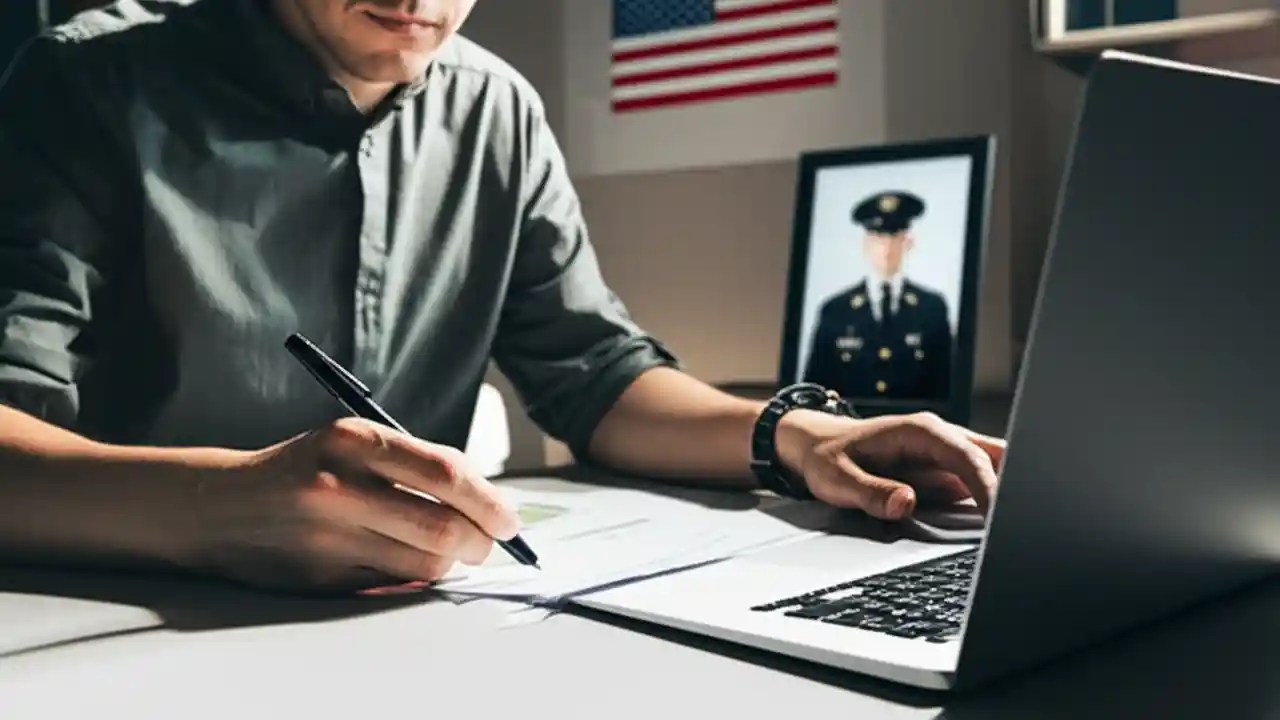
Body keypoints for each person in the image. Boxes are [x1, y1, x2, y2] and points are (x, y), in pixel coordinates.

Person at [0, 0, 1002, 595]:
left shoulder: (495, 107)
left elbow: (597, 378)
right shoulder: (90, 81)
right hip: (111, 631)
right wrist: (220, 508)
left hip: (416, 624)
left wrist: (792, 437)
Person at [803, 190, 953, 402]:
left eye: (895, 237)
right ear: (865, 244)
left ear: (908, 243)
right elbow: (813, 392)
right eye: (879, 238)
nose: (887, 248)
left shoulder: (932, 308)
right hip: (850, 430)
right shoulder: (835, 310)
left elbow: (945, 389)